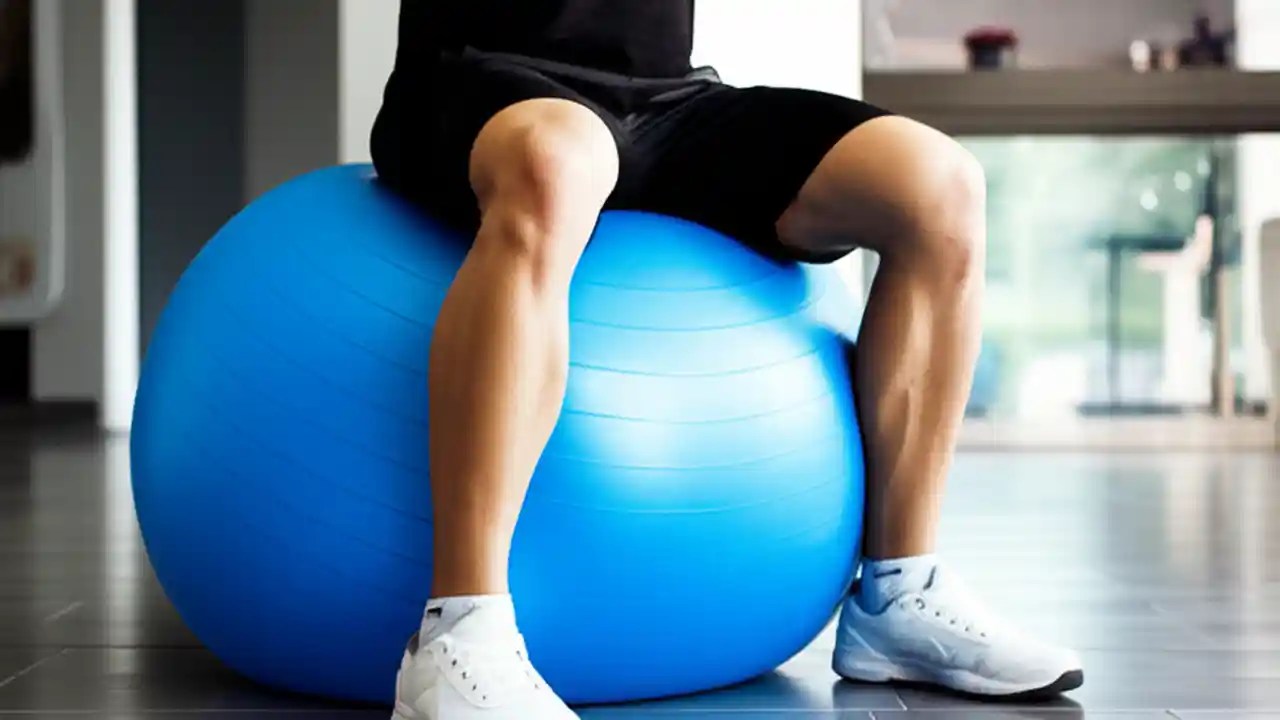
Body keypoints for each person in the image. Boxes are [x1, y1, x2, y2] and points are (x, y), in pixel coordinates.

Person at [370, 2, 1084, 718]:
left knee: (939, 184)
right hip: (483, 84)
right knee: (555, 159)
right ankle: (458, 637)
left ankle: (899, 592)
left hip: (663, 97)